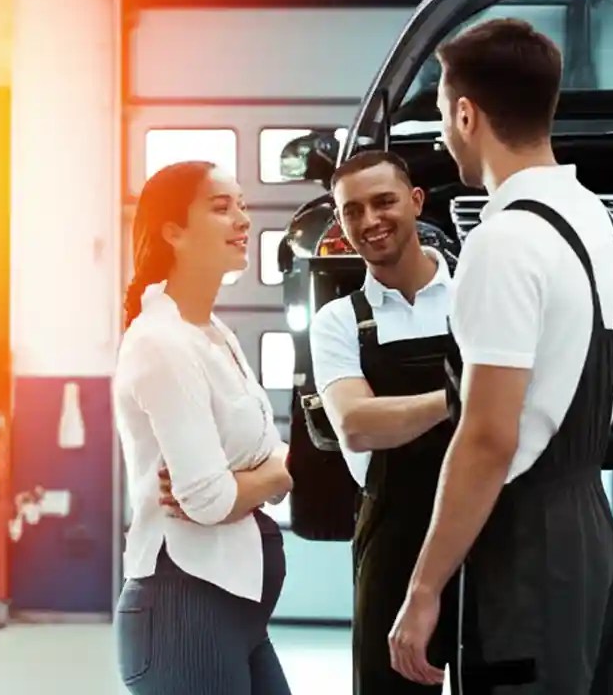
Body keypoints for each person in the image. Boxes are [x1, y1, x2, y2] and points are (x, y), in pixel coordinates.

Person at [387, 18, 613, 694]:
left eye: (440, 113)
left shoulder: (504, 240)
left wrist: (424, 585)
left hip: (524, 547)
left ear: (466, 114)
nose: (441, 133)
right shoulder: (596, 219)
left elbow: (490, 435)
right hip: (587, 528)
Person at [112, 160, 294, 695]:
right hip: (182, 612)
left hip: (233, 612)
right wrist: (277, 477)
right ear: (173, 231)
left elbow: (272, 452)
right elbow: (211, 499)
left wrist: (261, 476)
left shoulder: (213, 333)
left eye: (242, 205)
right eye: (221, 207)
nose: (242, 219)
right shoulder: (161, 342)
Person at [307, 150, 460, 694]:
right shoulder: (338, 321)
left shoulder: (475, 299)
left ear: (416, 202)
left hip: (488, 530)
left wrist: (406, 412)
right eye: (352, 211)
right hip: (392, 533)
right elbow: (357, 425)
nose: (369, 221)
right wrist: (462, 398)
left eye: (384, 202)